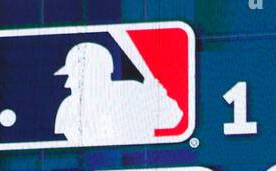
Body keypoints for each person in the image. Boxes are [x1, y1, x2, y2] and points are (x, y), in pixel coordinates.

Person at [54, 43, 183, 147]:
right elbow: (70, 148)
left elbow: (173, 119)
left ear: (95, 75)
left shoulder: (134, 92)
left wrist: (158, 98)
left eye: (75, 77)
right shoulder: (69, 106)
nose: (67, 84)